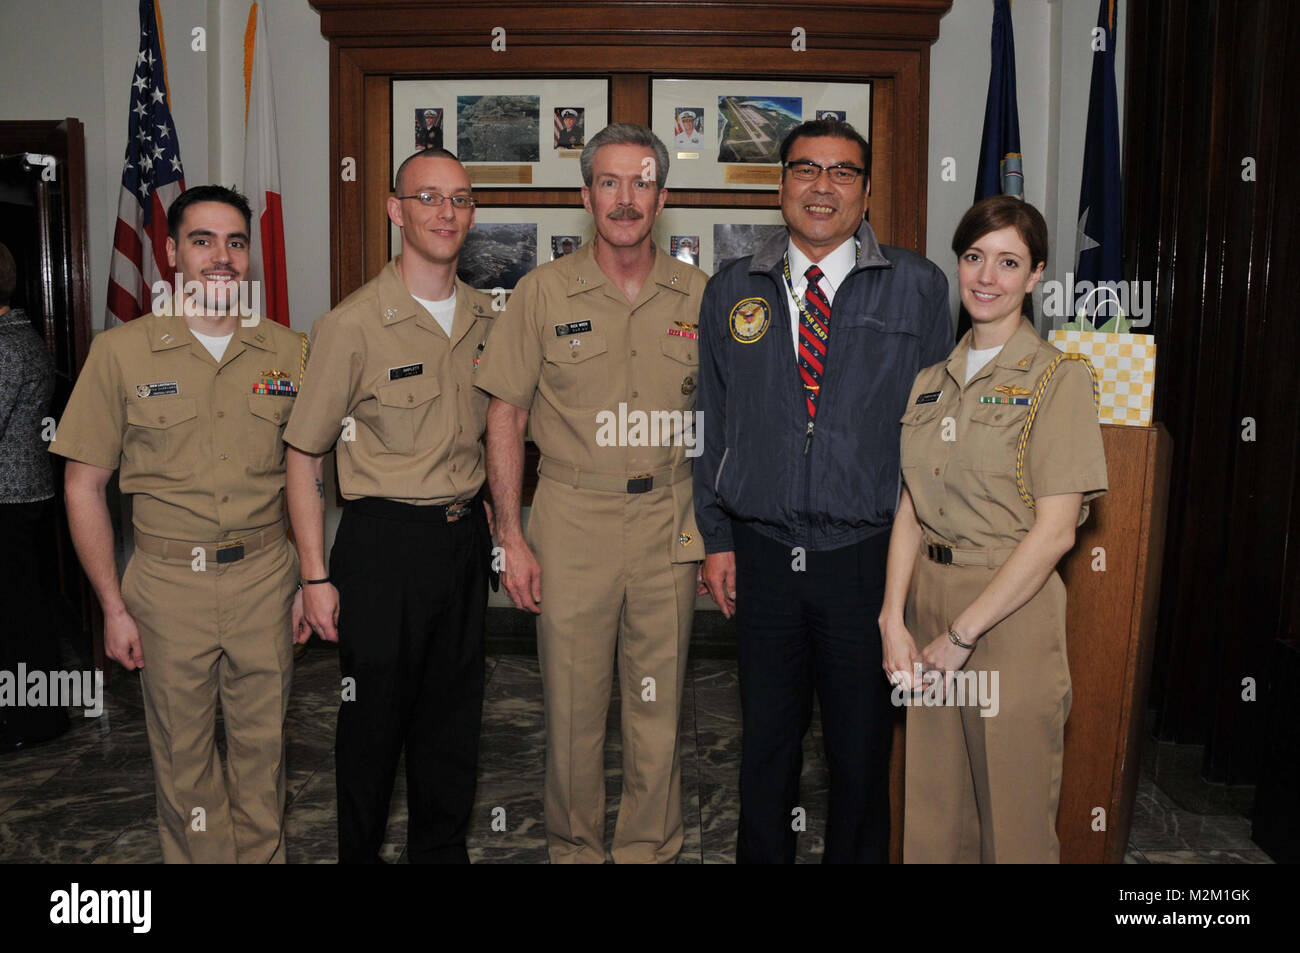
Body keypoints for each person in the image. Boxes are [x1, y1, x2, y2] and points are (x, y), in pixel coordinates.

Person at [693, 119, 951, 863]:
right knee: (766, 747)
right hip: (762, 551)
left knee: (861, 753)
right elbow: (708, 419)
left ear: (867, 193)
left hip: (867, 554)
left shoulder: (919, 285)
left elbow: (933, 435)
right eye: (806, 168)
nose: (822, 186)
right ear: (780, 185)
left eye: (843, 172)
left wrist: (916, 553)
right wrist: (714, 535)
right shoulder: (731, 288)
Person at [50, 185, 308, 863]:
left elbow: (307, 477)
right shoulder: (121, 354)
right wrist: (112, 605)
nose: (221, 258)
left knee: (265, 757)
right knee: (184, 765)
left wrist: (312, 579)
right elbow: (83, 485)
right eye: (203, 240)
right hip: (166, 587)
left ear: (249, 256)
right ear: (169, 252)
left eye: (236, 242)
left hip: (264, 579)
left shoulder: (289, 351)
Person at [476, 123, 707, 864]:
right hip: (571, 516)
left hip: (670, 515)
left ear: (662, 197)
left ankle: (649, 848)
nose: (625, 197)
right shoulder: (541, 293)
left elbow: (727, 421)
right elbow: (504, 415)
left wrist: (720, 535)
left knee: (657, 706)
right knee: (572, 709)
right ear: (586, 195)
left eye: (641, 182)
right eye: (609, 182)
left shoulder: (701, 294)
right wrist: (511, 535)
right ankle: (574, 849)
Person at [284, 148, 496, 864]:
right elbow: (304, 452)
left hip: (463, 542)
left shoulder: (483, 317)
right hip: (383, 547)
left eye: (460, 199)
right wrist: (314, 576)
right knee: (371, 730)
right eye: (429, 198)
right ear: (395, 209)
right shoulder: (350, 324)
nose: (447, 213)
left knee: (452, 728)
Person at [880, 196, 1107, 863]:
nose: (986, 276)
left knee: (1012, 820)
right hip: (927, 604)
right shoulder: (930, 380)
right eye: (974, 257)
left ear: (1035, 276)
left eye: (1008, 262)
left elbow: (1057, 532)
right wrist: (892, 616)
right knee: (933, 812)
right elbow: (911, 509)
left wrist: (963, 634)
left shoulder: (1059, 380)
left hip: (1009, 614)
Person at [0, 242, 68, 751]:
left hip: (9, 497)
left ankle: (32, 720)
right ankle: (37, 717)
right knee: (24, 609)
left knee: (17, 616)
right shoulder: (20, 334)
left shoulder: (5, 344)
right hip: (24, 493)